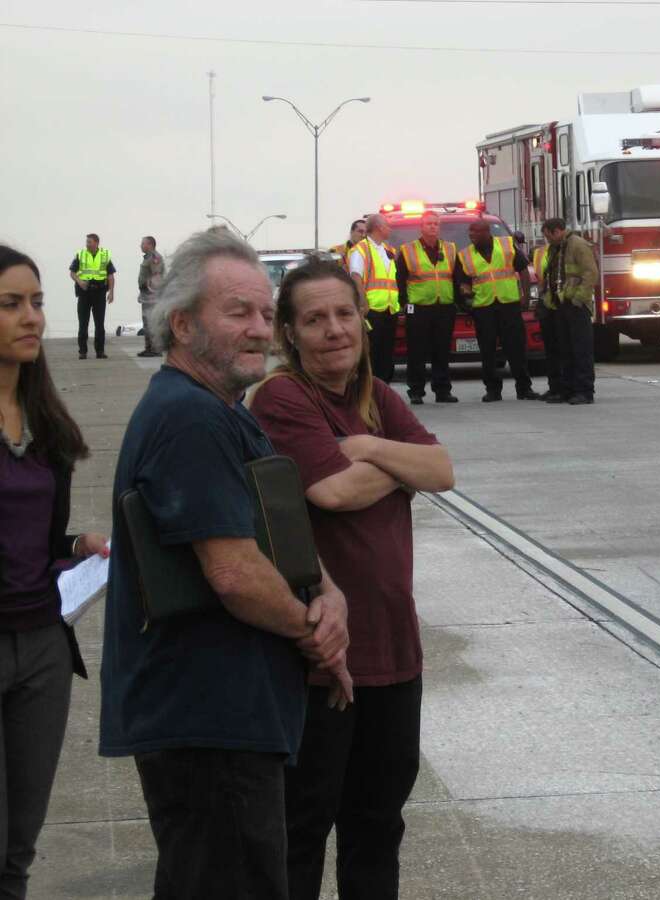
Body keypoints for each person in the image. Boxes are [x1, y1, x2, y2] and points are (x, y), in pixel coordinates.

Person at [99, 229, 352, 900]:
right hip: (208, 718)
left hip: (233, 714)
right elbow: (235, 571)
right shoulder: (191, 419)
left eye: (267, 315)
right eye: (238, 312)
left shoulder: (224, 411)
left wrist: (331, 597)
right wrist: (315, 635)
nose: (259, 330)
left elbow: (277, 532)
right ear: (182, 323)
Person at [249, 259, 453, 900]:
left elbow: (443, 468)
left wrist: (367, 448)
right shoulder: (283, 398)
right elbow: (333, 493)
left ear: (362, 320)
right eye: (314, 319)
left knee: (376, 826)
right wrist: (399, 462)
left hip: (395, 650)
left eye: (343, 314)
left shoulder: (377, 397)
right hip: (325, 653)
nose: (334, 330)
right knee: (302, 829)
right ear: (289, 333)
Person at [0, 246, 104, 899]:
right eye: (11, 304)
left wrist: (78, 543)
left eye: (37, 302)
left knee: (18, 849)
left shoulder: (44, 421)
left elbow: (33, 539)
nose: (31, 317)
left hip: (41, 644)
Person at [454, 220, 537, 402]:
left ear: (486, 232)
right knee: (487, 350)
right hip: (484, 308)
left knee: (516, 349)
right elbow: (462, 283)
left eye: (475, 233)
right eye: (470, 233)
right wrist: (467, 300)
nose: (472, 236)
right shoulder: (465, 255)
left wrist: (526, 296)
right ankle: (492, 390)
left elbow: (523, 270)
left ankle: (524, 388)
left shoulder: (506, 245)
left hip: (509, 305)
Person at [397, 211, 458, 405]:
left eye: (436, 224)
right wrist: (403, 306)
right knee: (417, 351)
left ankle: (442, 390)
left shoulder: (450, 249)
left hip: (444, 306)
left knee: (442, 350)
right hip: (418, 307)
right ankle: (416, 391)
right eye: (429, 223)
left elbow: (456, 277)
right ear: (421, 227)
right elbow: (399, 280)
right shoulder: (408, 250)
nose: (433, 227)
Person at [541, 218, 598, 405]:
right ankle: (567, 389)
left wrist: (578, 299)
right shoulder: (556, 248)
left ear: (557, 231)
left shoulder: (578, 245)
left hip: (576, 305)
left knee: (581, 350)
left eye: (548, 235)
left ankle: (584, 391)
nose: (547, 240)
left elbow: (591, 273)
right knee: (566, 350)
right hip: (561, 304)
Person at [348, 214, 399, 383]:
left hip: (389, 309)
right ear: (378, 228)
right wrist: (363, 303)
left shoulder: (388, 250)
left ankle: (384, 390)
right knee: (372, 355)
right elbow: (356, 276)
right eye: (387, 226)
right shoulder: (361, 249)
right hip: (372, 311)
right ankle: (370, 393)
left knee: (386, 355)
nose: (390, 229)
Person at [69, 233, 115, 359]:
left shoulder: (105, 255)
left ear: (96, 242)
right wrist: (80, 282)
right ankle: (82, 351)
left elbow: (110, 276)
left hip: (99, 293)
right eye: (87, 242)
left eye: (89, 241)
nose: (87, 244)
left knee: (99, 324)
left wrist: (111, 292)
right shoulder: (81, 254)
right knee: (83, 323)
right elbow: (72, 272)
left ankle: (100, 351)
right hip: (84, 293)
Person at [530, 238, 565, 402]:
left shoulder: (565, 250)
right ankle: (554, 387)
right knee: (550, 350)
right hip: (546, 304)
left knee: (562, 349)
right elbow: (540, 280)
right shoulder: (539, 253)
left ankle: (563, 388)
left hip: (561, 305)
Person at [137, 236, 165, 357]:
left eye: (143, 243)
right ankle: (149, 348)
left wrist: (152, 295)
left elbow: (156, 277)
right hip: (146, 294)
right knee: (147, 322)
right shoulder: (148, 258)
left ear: (150, 245)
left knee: (152, 322)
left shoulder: (155, 258)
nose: (141, 246)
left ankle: (156, 349)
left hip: (152, 296)